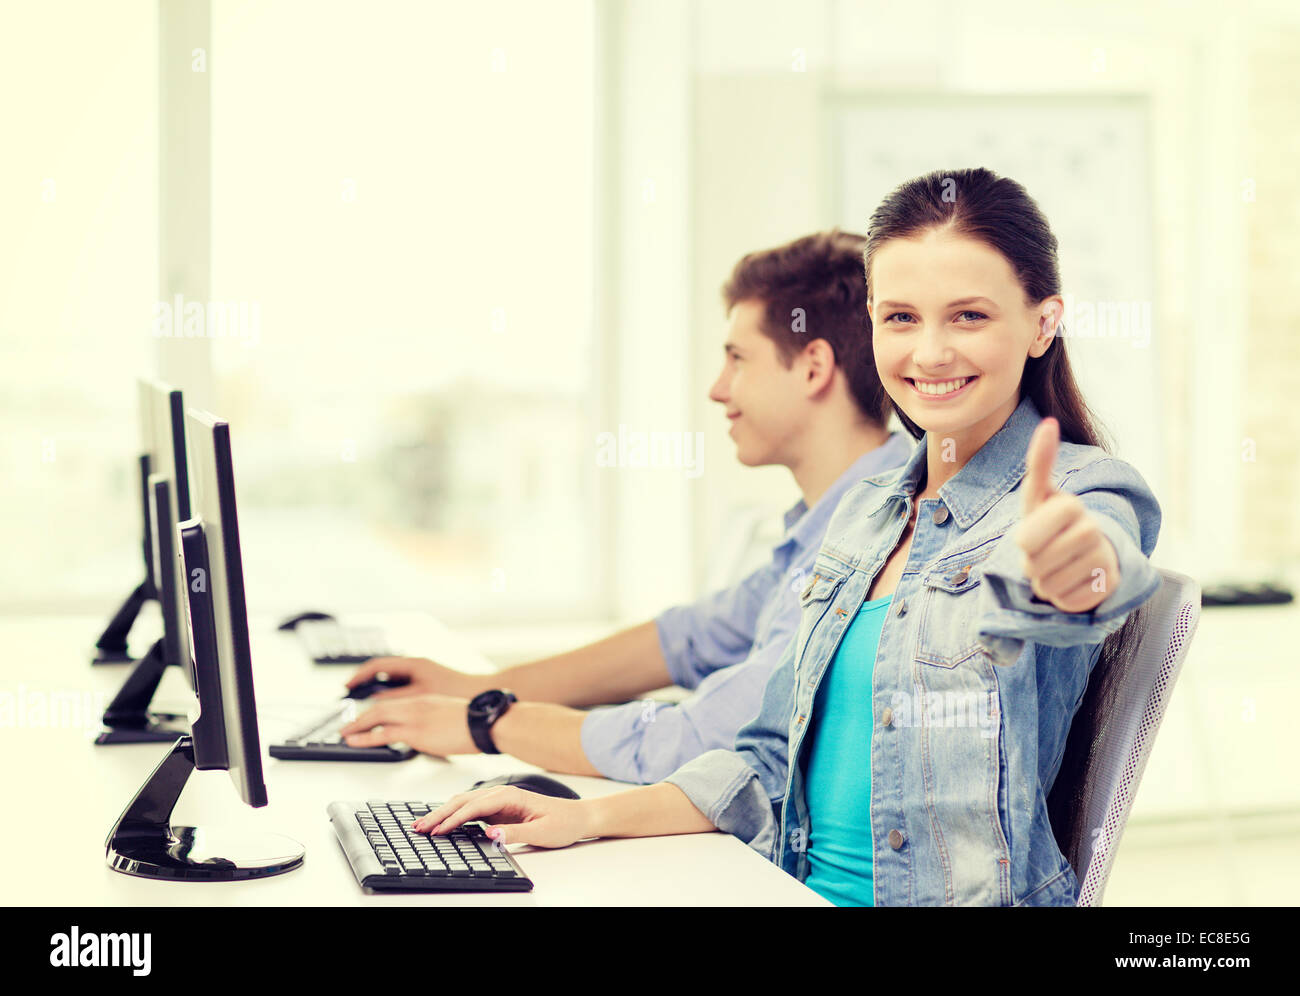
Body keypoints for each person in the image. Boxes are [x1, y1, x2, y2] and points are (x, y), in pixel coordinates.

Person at [409, 167, 1164, 908]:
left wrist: (1075, 572)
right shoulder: (865, 509)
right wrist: (586, 817)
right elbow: (764, 757)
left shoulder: (1082, 492)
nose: (930, 352)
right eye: (900, 317)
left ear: (1043, 323)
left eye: (968, 316)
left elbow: (1102, 575)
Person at [339, 230, 915, 783]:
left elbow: (700, 738)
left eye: (738, 358)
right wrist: (477, 686)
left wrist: (487, 722)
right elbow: (686, 639)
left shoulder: (879, 533)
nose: (718, 388)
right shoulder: (829, 522)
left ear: (813, 367)